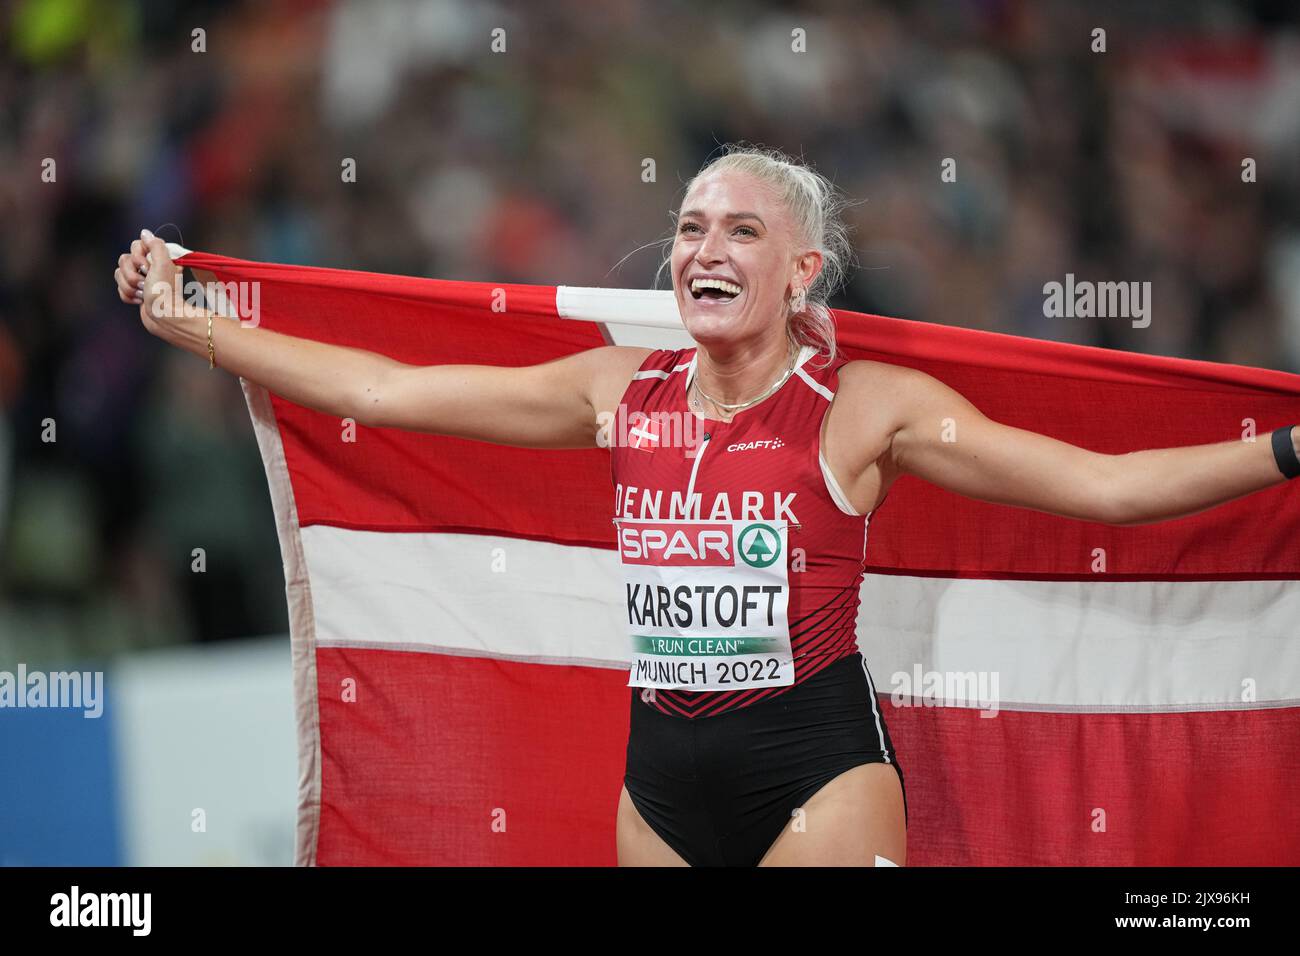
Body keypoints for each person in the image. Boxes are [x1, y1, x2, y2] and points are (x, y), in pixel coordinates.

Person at [113, 144, 1300, 867]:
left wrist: (1287, 450)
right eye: (688, 228)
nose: (703, 247)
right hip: (659, 784)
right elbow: (387, 388)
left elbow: (1106, 488)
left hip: (819, 771)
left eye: (740, 228)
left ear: (801, 273)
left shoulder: (864, 406)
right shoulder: (615, 390)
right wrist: (195, 326)